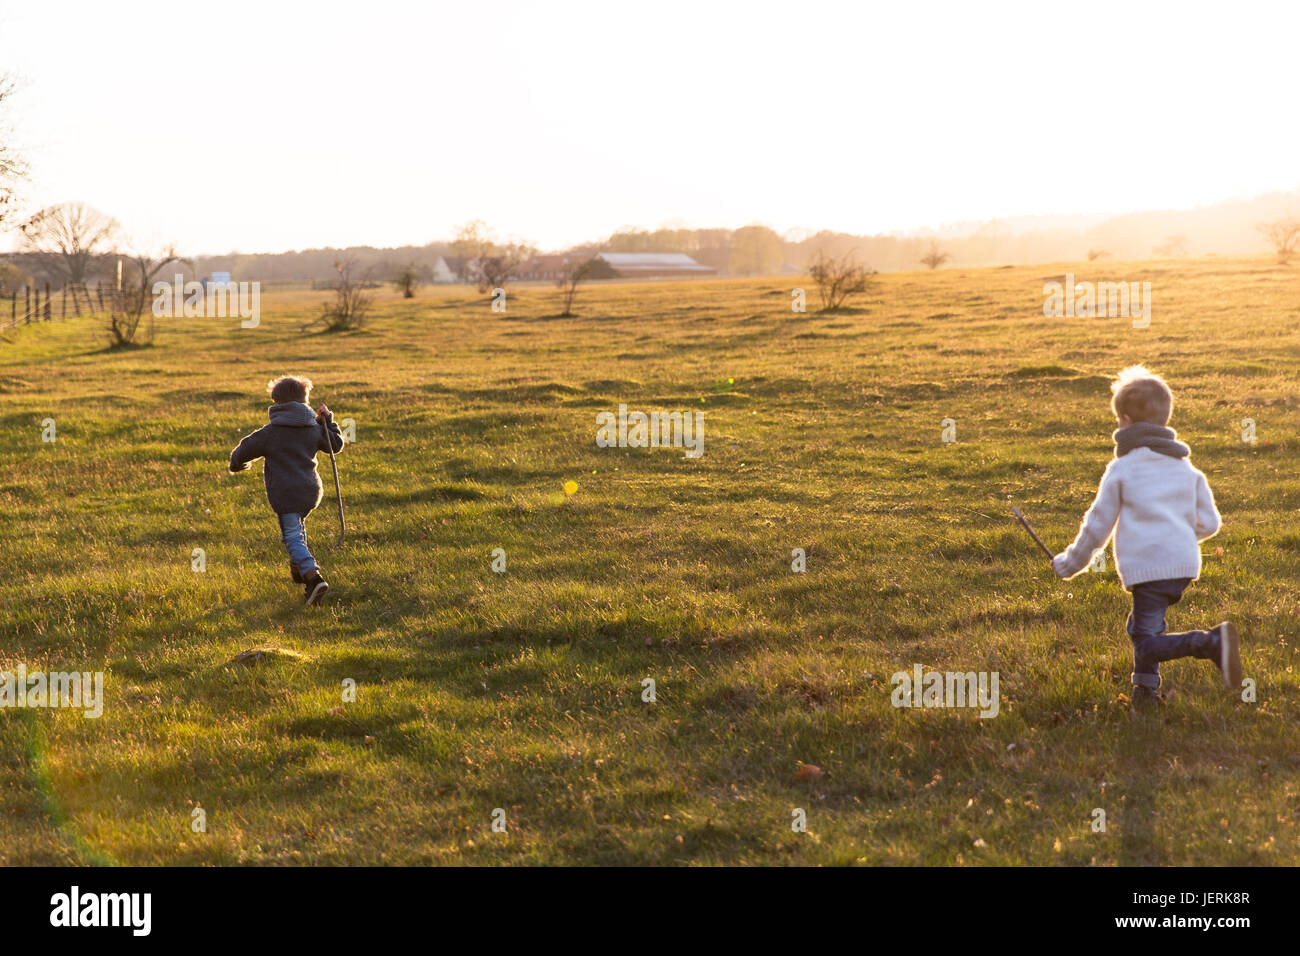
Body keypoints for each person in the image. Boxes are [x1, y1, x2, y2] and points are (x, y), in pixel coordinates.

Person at [1052, 366, 1239, 705]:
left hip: (1150, 569)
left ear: (1124, 421)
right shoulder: (1187, 469)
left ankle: (1211, 643)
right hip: (1182, 567)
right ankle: (1145, 691)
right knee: (1140, 627)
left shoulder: (1123, 468)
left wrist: (1070, 563)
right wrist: (1178, 537)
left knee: (1145, 640)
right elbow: (1210, 523)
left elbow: (1098, 525)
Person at [229, 375, 343, 606]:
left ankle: (313, 577)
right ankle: (298, 569)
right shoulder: (313, 429)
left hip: (286, 494)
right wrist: (328, 421)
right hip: (310, 492)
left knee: (292, 536)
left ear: (276, 404)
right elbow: (336, 444)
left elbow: (243, 449)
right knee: (296, 531)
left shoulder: (270, 433)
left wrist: (236, 464)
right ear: (306, 404)